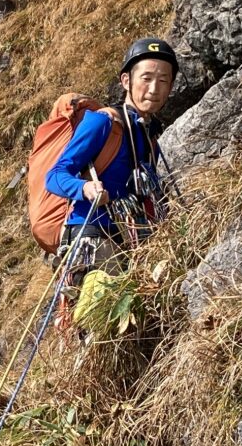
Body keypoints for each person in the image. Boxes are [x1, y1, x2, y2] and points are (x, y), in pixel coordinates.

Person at [44, 37, 179, 321]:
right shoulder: (103, 122)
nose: (154, 89)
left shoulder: (149, 135)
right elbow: (55, 176)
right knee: (94, 324)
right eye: (147, 78)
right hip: (93, 237)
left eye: (164, 81)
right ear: (126, 80)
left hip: (130, 241)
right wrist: (85, 188)